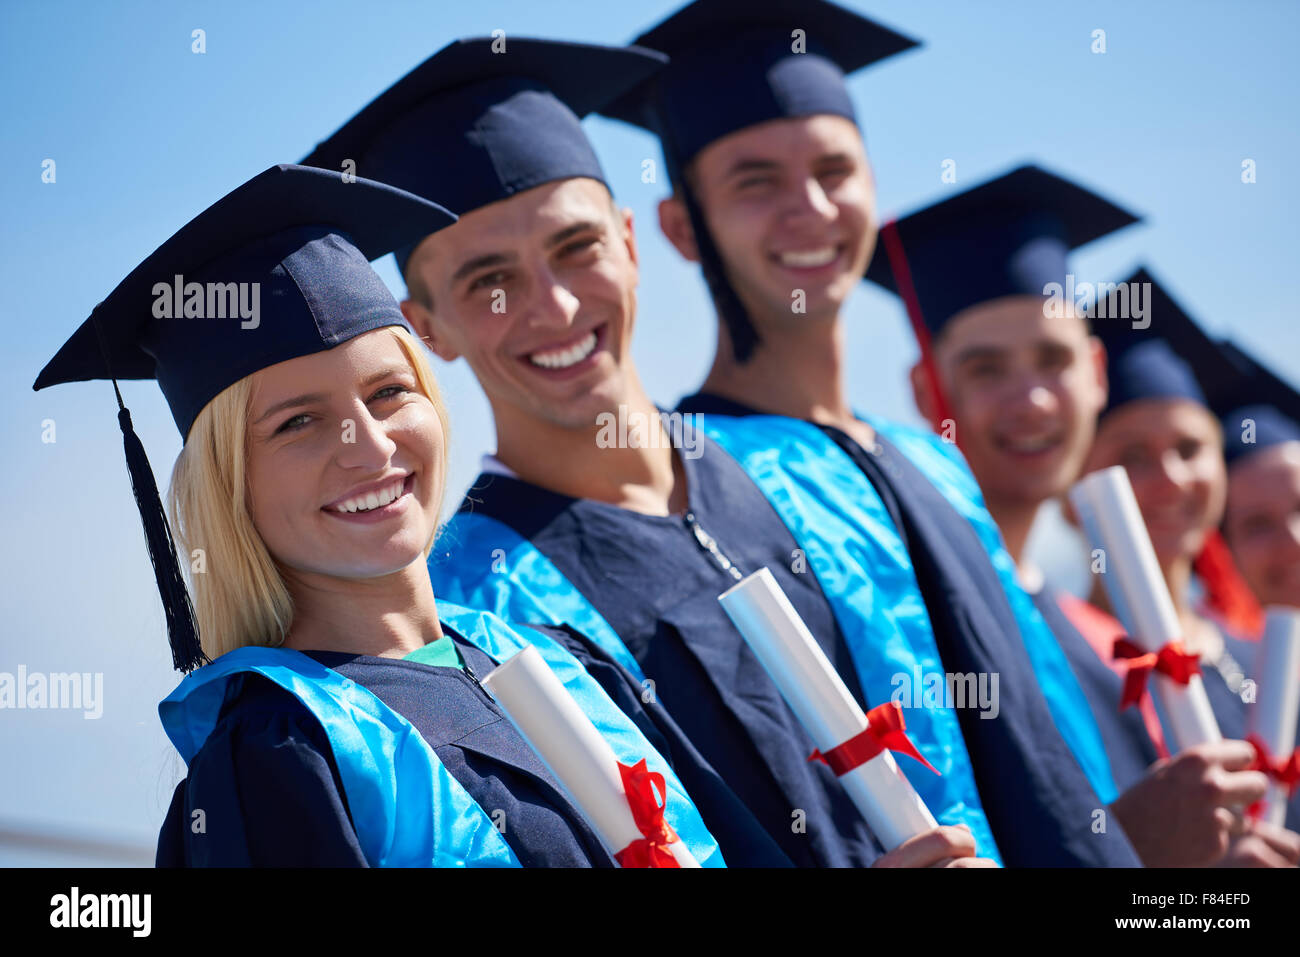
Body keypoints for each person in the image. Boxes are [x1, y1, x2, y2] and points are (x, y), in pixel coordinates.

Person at [303, 31, 1126, 866]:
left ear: (630, 243)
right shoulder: (472, 611)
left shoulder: (823, 476)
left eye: (575, 247)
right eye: (491, 281)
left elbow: (1002, 772)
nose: (551, 306)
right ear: (428, 326)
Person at [33, 164, 729, 868]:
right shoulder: (283, 754)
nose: (370, 444)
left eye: (390, 390)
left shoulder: (560, 659)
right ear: (229, 484)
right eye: (299, 421)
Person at [864, 166, 1294, 866]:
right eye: (986, 369)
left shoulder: (1092, 640)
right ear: (926, 388)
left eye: (1052, 360)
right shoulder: (901, 611)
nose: (1031, 400)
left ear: (1094, 372)